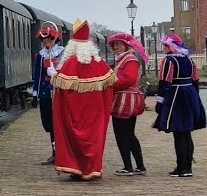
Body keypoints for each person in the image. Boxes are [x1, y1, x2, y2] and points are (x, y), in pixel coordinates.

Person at [50, 19, 116, 180]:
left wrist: (53, 75)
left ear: (72, 44)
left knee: (73, 138)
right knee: (94, 138)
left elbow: (61, 93)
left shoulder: (70, 63)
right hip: (95, 113)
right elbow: (110, 89)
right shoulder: (99, 63)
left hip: (74, 113)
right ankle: (92, 169)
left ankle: (76, 168)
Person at [152, 32, 207, 177]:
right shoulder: (189, 61)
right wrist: (195, 99)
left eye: (165, 45)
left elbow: (165, 82)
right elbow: (195, 80)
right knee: (187, 133)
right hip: (190, 93)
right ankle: (187, 167)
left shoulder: (169, 61)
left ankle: (181, 168)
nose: (164, 48)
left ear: (171, 47)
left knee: (178, 133)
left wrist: (160, 101)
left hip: (176, 94)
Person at [107, 32, 148, 175]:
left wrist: (109, 84)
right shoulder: (122, 59)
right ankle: (139, 166)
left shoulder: (129, 59)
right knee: (129, 134)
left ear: (126, 46)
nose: (117, 47)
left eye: (119, 44)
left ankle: (128, 167)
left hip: (125, 100)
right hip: (124, 99)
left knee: (123, 134)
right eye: (115, 45)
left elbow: (129, 80)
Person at [29, 25, 64, 165]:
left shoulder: (62, 53)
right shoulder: (41, 55)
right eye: (44, 40)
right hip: (45, 94)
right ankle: (55, 152)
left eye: (49, 39)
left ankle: (62, 152)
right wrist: (34, 94)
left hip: (59, 92)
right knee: (49, 124)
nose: (46, 42)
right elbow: (37, 75)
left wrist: (56, 72)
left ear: (54, 39)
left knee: (59, 123)